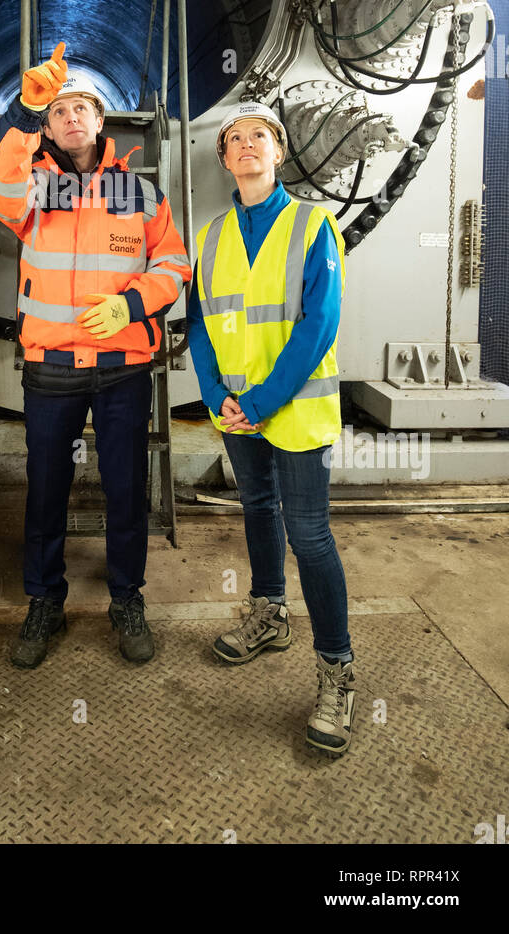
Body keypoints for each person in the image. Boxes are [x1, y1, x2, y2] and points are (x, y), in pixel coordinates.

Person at [0, 43, 191, 667]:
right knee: (46, 492)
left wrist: (132, 305)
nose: (72, 118)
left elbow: (174, 264)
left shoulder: (140, 193)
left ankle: (127, 598)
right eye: (60, 110)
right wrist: (22, 111)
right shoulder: (33, 189)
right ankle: (44, 601)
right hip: (51, 370)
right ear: (48, 124)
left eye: (83, 109)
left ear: (102, 123)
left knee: (126, 492)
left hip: (123, 368)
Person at [186, 100, 355, 755]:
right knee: (257, 506)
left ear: (278, 152)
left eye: (260, 135)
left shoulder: (315, 225)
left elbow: (319, 324)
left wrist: (260, 400)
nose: (247, 144)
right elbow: (200, 324)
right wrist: (218, 397)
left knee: (310, 536)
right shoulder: (215, 236)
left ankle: (337, 673)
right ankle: (268, 613)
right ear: (226, 158)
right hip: (237, 410)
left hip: (295, 409)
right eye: (235, 138)